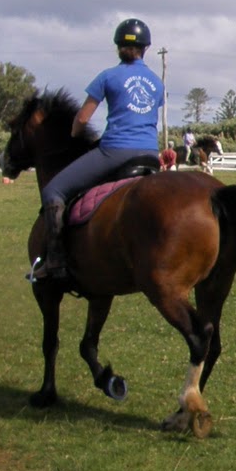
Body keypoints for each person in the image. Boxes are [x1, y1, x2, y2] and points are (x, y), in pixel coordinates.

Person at [30, 18, 163, 281]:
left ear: (118, 48)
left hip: (114, 151)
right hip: (150, 154)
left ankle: (55, 262)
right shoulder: (157, 83)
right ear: (146, 48)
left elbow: (82, 119)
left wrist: (74, 135)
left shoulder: (108, 76)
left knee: (53, 190)